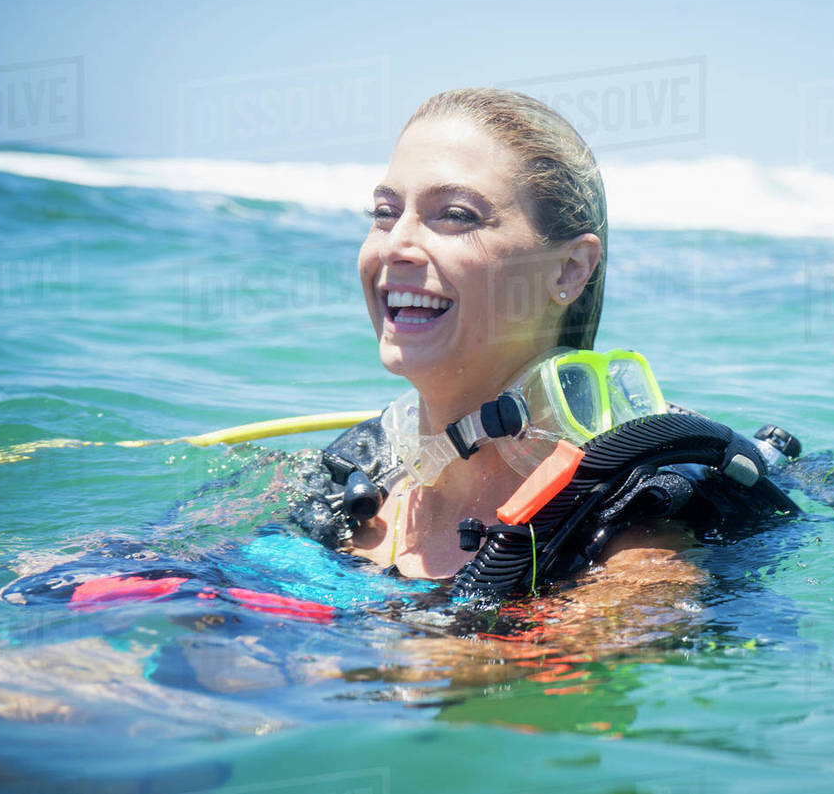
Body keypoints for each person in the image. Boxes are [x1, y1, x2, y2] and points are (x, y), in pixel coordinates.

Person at [297, 87, 798, 593]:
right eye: (384, 212)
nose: (397, 244)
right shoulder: (356, 475)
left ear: (569, 269)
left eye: (455, 214)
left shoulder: (633, 537)